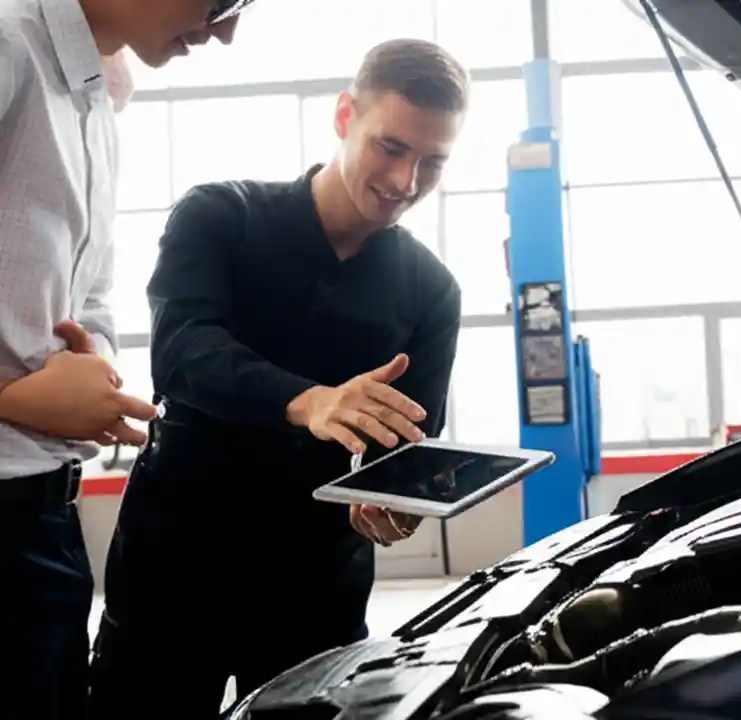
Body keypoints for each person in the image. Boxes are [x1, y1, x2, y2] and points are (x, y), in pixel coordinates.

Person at [87, 38, 468, 717]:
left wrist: (394, 505)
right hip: (176, 565)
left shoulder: (431, 289)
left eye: (432, 163)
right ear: (345, 115)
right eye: (391, 148)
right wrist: (309, 401)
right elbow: (183, 351)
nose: (406, 181)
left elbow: (407, 441)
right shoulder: (219, 217)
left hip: (318, 585)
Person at [0, 1, 250, 718]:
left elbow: (93, 290)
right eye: (223, 1)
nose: (227, 28)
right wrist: (15, 397)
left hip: (43, 515)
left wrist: (94, 370)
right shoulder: (9, 44)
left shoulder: (93, 101)